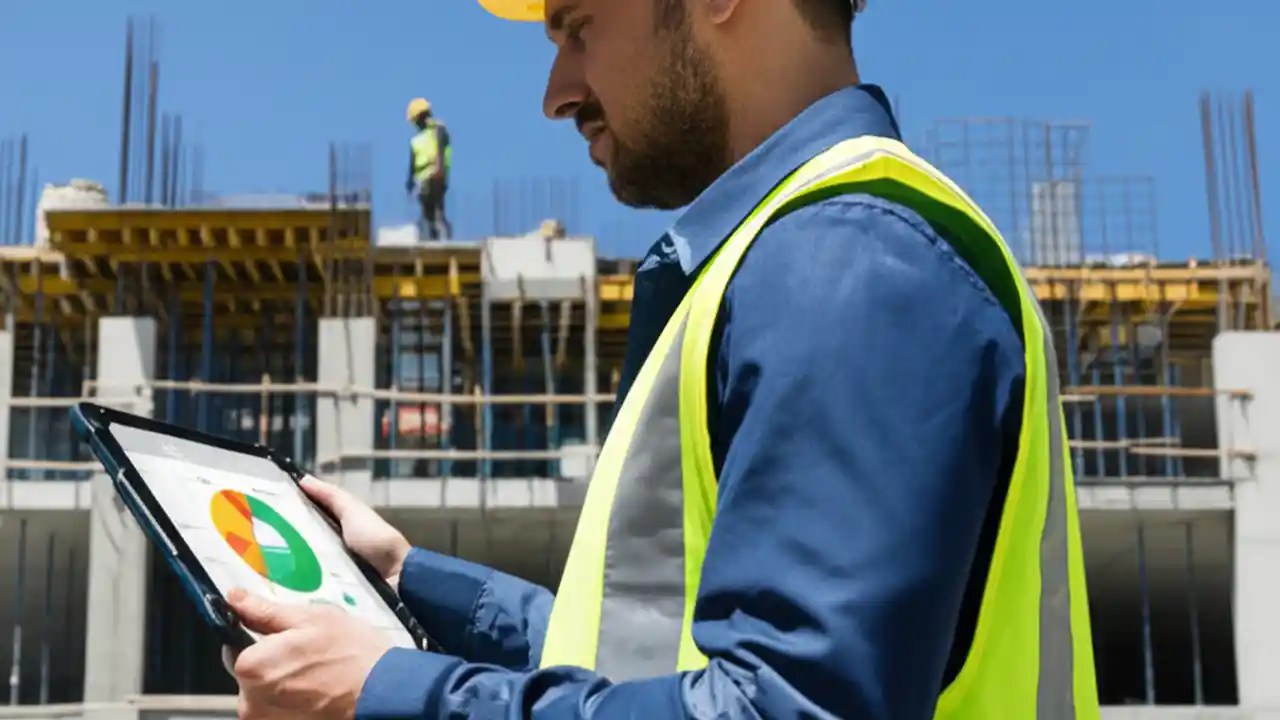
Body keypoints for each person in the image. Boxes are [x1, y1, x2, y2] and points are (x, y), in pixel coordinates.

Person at [226, 0, 1103, 717]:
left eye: (578, 27)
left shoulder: (848, 262)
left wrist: (393, 696)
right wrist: (409, 579)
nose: (557, 94)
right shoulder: (797, 256)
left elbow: (786, 709)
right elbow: (640, 655)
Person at [405, 97, 453, 240]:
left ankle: (442, 236)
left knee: (436, 211)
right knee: (428, 213)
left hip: (435, 174)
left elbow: (441, 148)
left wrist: (439, 168)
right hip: (423, 180)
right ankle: (433, 237)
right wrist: (410, 183)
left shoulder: (438, 130)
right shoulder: (416, 141)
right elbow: (412, 165)